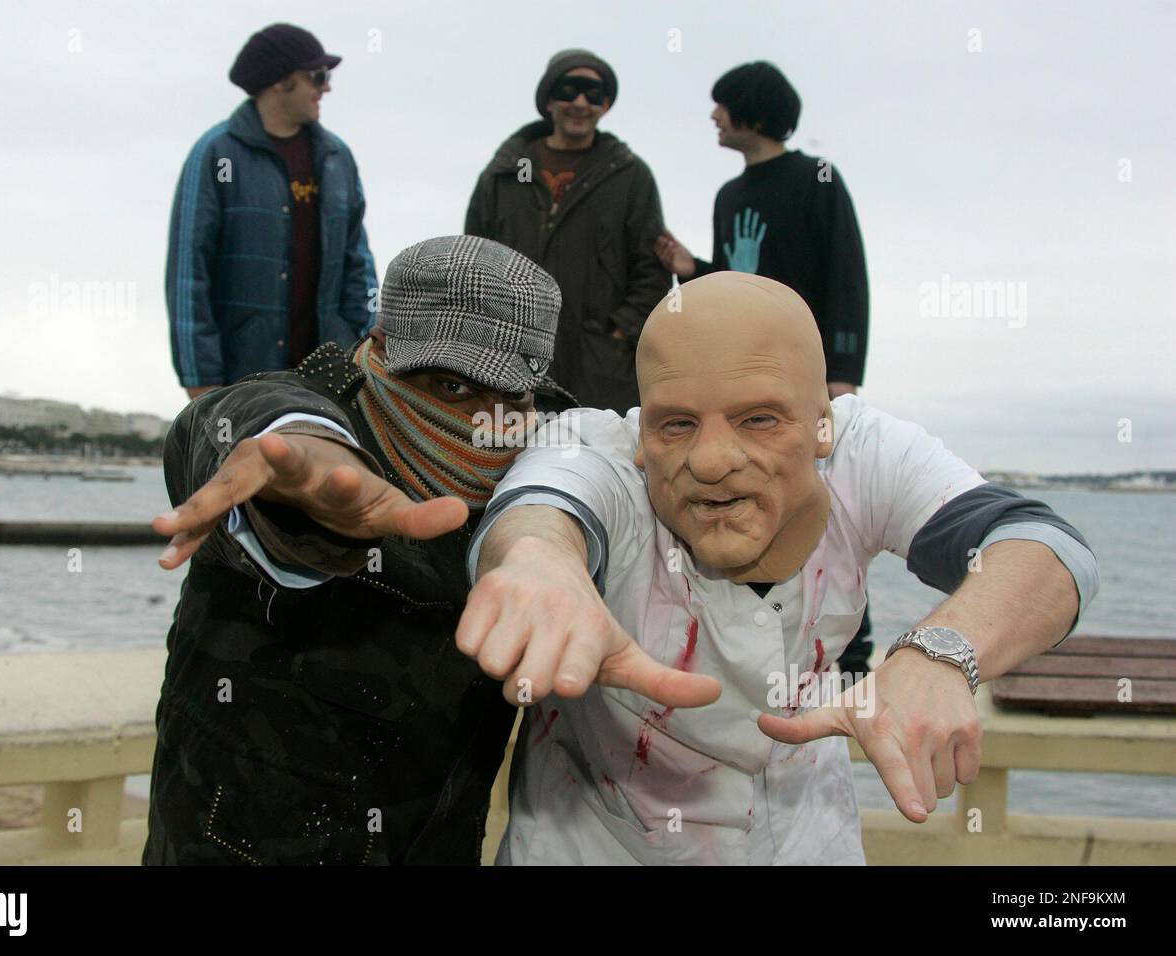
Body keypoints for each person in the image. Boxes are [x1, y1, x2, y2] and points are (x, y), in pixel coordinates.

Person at [456, 272, 1098, 865]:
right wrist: (542, 563)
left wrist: (940, 652)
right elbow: (543, 507)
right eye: (676, 425)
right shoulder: (604, 450)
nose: (710, 460)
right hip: (594, 843)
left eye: (758, 419)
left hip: (803, 839)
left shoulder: (863, 455)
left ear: (823, 424)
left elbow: (1043, 546)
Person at [142, 236, 697, 865]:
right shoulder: (308, 415)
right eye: (448, 387)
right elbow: (240, 425)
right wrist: (303, 473)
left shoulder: (544, 457)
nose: (481, 417)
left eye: (506, 395)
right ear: (379, 349)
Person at [656, 60, 875, 676]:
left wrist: (843, 371)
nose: (713, 116)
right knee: (748, 500)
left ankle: (850, 647)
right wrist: (692, 268)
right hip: (736, 378)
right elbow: (735, 287)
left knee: (823, 498)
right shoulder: (730, 195)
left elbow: (846, 276)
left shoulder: (817, 179)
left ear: (752, 109)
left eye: (721, 104)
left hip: (808, 376)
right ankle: (754, 641)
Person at [166, 23, 377, 401]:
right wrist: (201, 380)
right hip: (241, 375)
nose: (326, 87)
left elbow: (358, 265)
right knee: (257, 461)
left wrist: (369, 352)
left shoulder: (336, 157)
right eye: (317, 76)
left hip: (331, 375)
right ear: (280, 81)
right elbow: (188, 275)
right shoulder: (216, 155)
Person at [465, 49, 670, 416]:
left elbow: (651, 270)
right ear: (548, 100)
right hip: (510, 365)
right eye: (568, 90)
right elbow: (473, 259)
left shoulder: (630, 176)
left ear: (605, 105)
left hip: (600, 372)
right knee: (507, 464)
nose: (580, 103)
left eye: (593, 94)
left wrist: (617, 335)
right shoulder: (504, 174)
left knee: (601, 466)